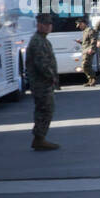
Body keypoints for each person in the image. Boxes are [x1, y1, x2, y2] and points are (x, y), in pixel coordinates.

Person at [25, 12, 61, 150]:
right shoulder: (38, 42)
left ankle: (40, 137)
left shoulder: (43, 40)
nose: (48, 27)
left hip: (43, 82)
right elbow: (42, 64)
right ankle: (39, 138)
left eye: (49, 24)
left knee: (45, 109)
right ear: (39, 25)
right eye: (45, 24)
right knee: (45, 110)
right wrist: (52, 77)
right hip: (41, 83)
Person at [78, 18, 98, 86]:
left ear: (83, 23)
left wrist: (91, 48)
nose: (79, 27)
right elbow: (86, 42)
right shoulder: (85, 31)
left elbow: (93, 40)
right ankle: (90, 80)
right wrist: (80, 42)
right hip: (85, 50)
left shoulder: (90, 30)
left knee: (85, 65)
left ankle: (93, 79)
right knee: (87, 66)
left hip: (88, 51)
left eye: (80, 25)